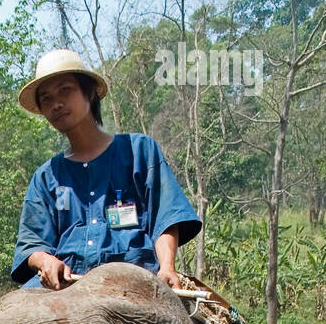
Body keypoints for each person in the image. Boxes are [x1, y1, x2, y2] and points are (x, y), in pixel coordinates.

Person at [12, 50, 201, 293]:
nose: (56, 104)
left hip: (134, 276)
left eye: (65, 90)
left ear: (89, 92)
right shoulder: (46, 177)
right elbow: (32, 244)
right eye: (46, 98)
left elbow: (165, 218)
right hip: (66, 286)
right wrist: (44, 260)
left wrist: (166, 266)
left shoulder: (140, 151)